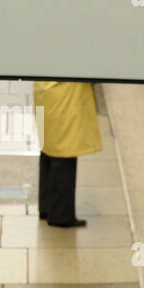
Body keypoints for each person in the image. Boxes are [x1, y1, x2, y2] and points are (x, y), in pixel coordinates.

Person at [34, 81, 102, 227]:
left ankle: (47, 207)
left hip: (45, 91)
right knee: (64, 152)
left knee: (49, 149)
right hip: (64, 94)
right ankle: (60, 215)